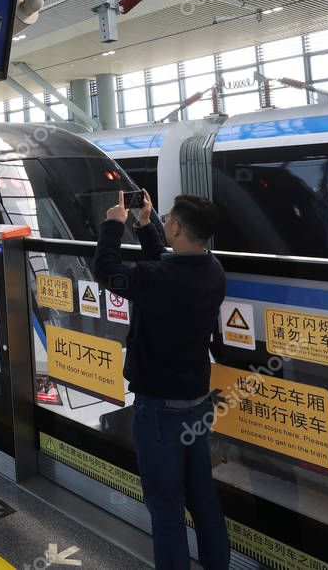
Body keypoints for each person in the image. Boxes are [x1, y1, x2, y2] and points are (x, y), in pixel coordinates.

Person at [92, 190, 230, 570]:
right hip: (197, 405)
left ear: (179, 228)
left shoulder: (160, 278)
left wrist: (113, 224)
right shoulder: (213, 271)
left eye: (167, 218)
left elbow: (105, 269)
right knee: (203, 502)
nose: (164, 221)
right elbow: (161, 268)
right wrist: (145, 223)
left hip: (159, 413)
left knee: (166, 509)